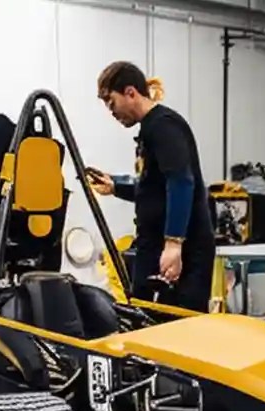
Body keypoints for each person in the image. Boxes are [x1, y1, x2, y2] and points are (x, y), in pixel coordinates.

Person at [86, 61, 216, 312]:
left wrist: (173, 244)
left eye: (111, 103)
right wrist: (116, 186)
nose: (111, 112)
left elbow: (181, 182)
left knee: (175, 330)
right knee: (145, 320)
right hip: (155, 246)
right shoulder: (150, 130)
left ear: (130, 93)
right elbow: (155, 190)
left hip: (183, 251)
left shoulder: (164, 126)